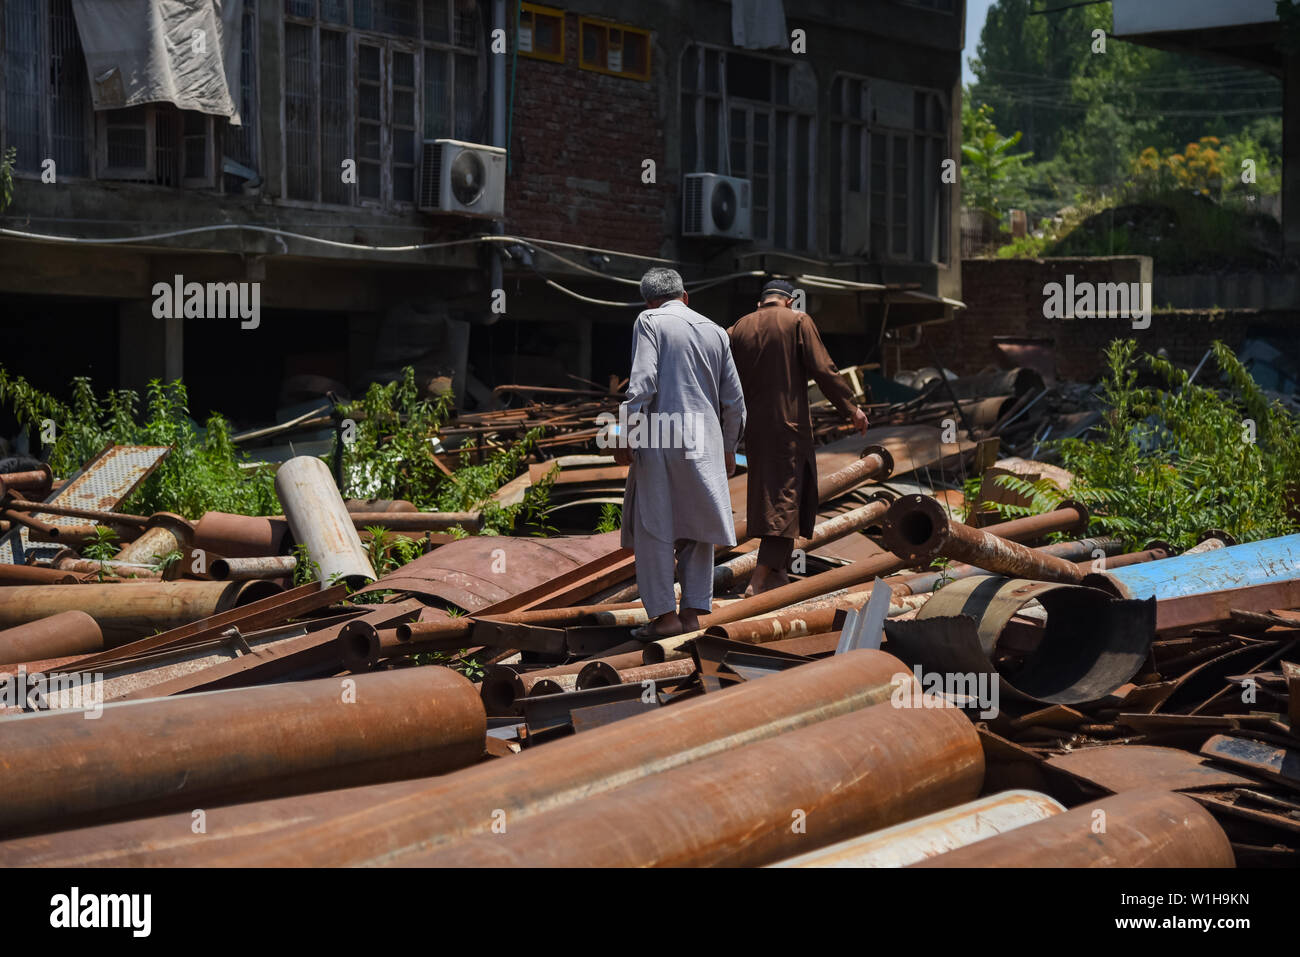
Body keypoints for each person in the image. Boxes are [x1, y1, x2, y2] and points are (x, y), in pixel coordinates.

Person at [612, 267, 746, 639]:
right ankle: (691, 615)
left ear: (649, 300)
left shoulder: (649, 320)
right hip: (706, 443)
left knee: (654, 528)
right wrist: (729, 449)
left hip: (661, 437)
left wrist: (625, 432)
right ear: (685, 297)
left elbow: (642, 384)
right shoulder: (716, 331)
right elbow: (735, 402)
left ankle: (663, 618)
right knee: (697, 528)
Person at [728, 279, 869, 595]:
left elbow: (724, 378)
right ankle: (758, 579)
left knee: (769, 496)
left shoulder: (738, 328)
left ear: (761, 302)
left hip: (754, 429)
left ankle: (778, 573)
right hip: (789, 427)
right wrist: (851, 409)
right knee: (786, 498)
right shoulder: (798, 321)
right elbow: (824, 369)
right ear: (789, 301)